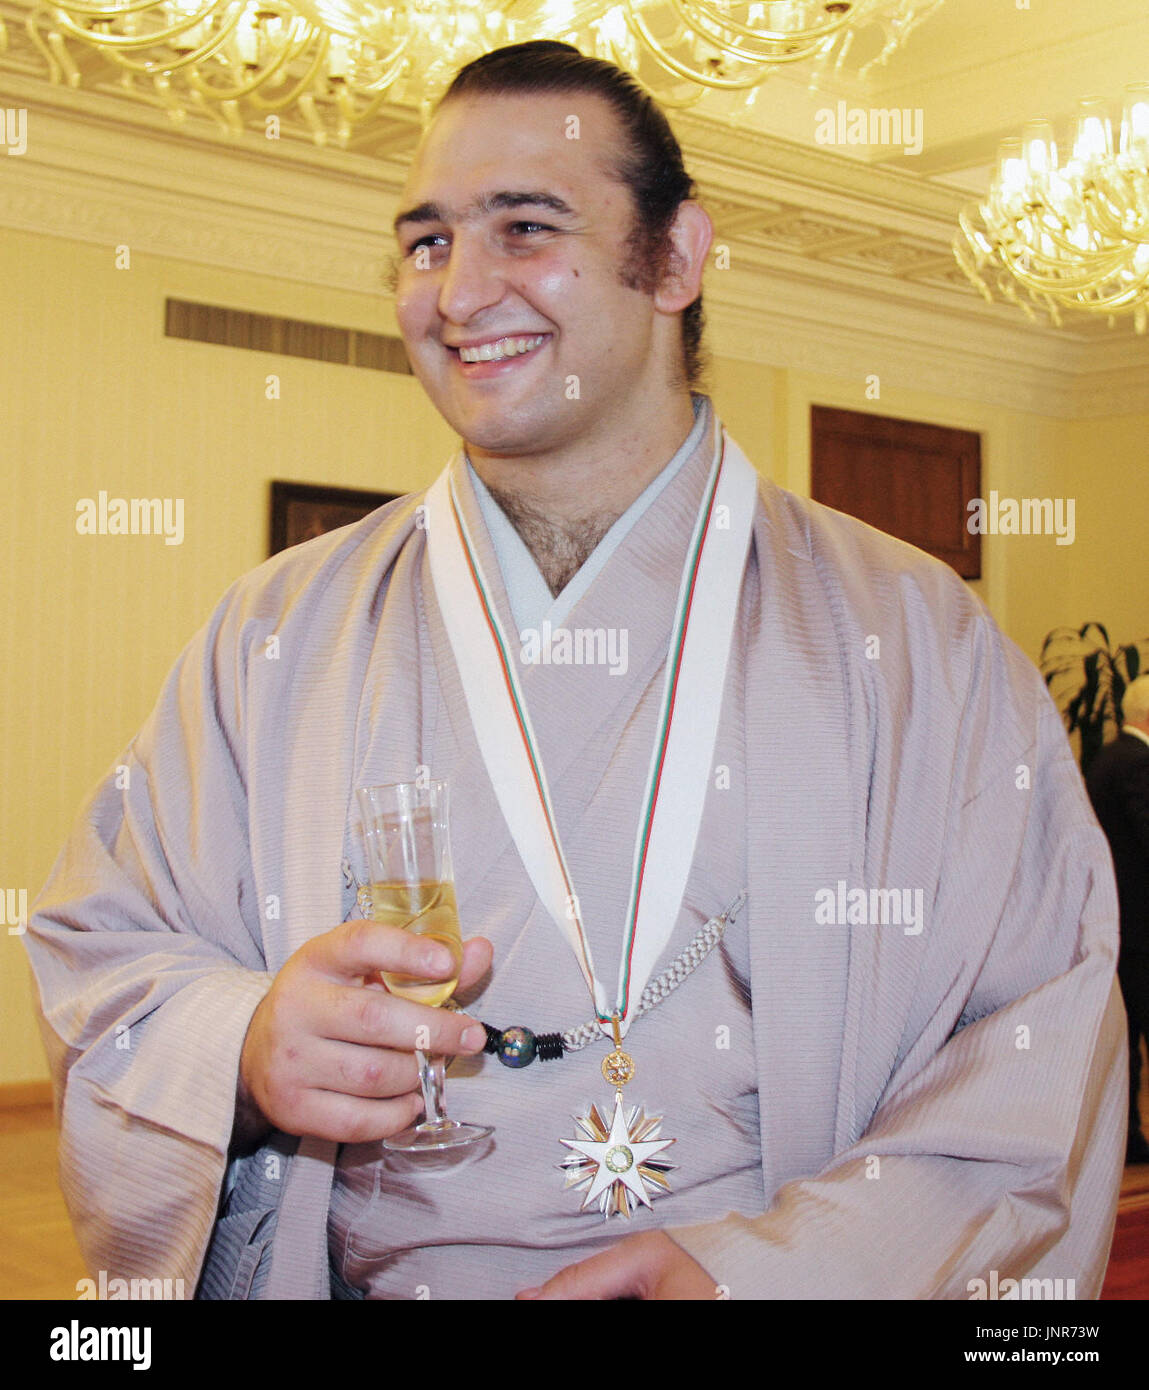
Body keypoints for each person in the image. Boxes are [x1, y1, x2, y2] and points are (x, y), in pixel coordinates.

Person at [26, 40, 1127, 1301]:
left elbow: (1035, 1030)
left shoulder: (912, 639)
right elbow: (100, 946)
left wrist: (766, 1274)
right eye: (427, 241)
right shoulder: (278, 631)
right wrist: (243, 1040)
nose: (457, 293)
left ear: (676, 257)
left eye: (525, 226)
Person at [1087, 673, 1149, 1165]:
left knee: (1125, 1037)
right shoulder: (1139, 763)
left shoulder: (1104, 758)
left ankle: (1125, 1135)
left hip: (1118, 919)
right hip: (1143, 926)